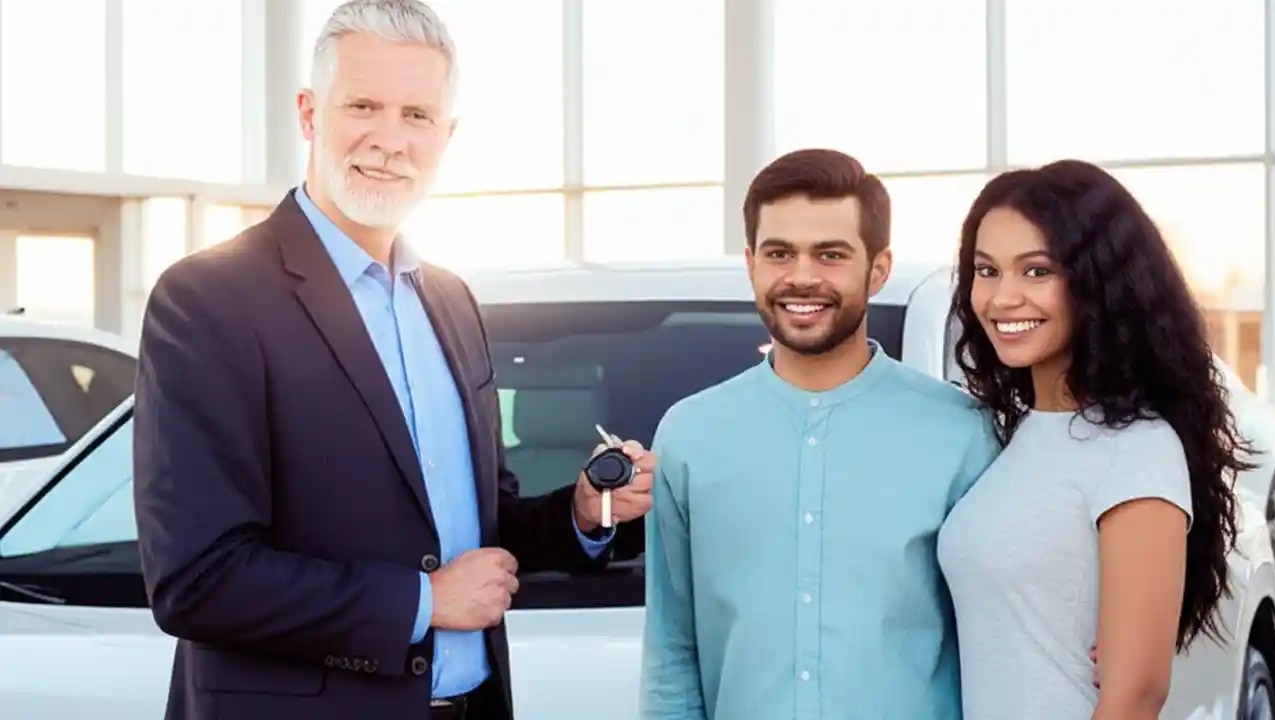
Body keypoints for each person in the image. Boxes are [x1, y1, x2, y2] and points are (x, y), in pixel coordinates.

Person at [131, 2, 654, 719]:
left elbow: (478, 531)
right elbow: (198, 577)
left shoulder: (448, 299)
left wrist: (585, 514)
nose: (389, 139)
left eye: (417, 115)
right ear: (310, 113)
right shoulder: (210, 300)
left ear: (447, 134)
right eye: (363, 106)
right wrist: (422, 602)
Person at [639, 148, 1000, 719]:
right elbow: (673, 650)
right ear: (751, 262)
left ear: (877, 269)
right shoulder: (689, 435)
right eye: (780, 253)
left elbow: (997, 646)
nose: (802, 277)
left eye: (830, 255)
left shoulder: (962, 434)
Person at [936, 159, 1253, 719]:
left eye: (1036, 271)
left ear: (1098, 282)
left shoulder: (1137, 450)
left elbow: (1135, 696)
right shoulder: (1021, 435)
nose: (1002, 298)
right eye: (987, 270)